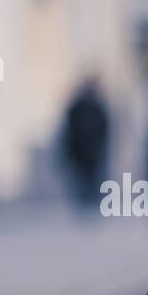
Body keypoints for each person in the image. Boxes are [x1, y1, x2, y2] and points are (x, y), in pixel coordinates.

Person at [60, 76, 110, 205]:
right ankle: (84, 202)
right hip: (80, 151)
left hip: (93, 152)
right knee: (81, 180)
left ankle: (90, 202)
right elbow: (69, 130)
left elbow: (104, 130)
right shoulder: (77, 108)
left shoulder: (97, 108)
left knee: (91, 180)